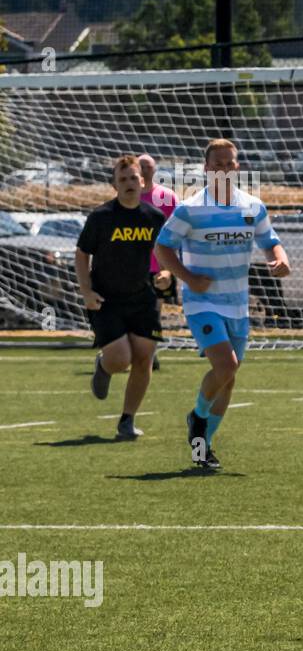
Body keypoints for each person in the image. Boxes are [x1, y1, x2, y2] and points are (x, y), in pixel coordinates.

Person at [153, 138, 290, 471]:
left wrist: (280, 260)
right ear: (206, 169)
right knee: (226, 366)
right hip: (202, 302)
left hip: (238, 304)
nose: (225, 169)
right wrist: (187, 276)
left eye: (230, 163)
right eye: (218, 164)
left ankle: (203, 447)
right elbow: (163, 249)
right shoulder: (191, 209)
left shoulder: (252, 207)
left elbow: (271, 243)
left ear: (238, 167)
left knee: (228, 380)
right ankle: (197, 417)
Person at [74, 154, 168, 440]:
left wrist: (166, 273)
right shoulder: (101, 217)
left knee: (144, 359)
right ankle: (103, 366)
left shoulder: (154, 217)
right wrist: (87, 291)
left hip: (142, 298)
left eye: (133, 178)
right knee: (120, 359)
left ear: (143, 182)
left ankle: (127, 420)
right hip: (106, 300)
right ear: (114, 185)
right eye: (122, 179)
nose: (128, 183)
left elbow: (166, 253)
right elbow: (81, 254)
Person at [138, 152, 179, 369]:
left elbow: (177, 229)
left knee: (155, 312)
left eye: (148, 166)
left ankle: (150, 354)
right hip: (133, 267)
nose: (144, 169)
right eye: (140, 166)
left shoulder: (167, 197)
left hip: (162, 266)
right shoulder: (128, 196)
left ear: (155, 170)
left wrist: (172, 265)